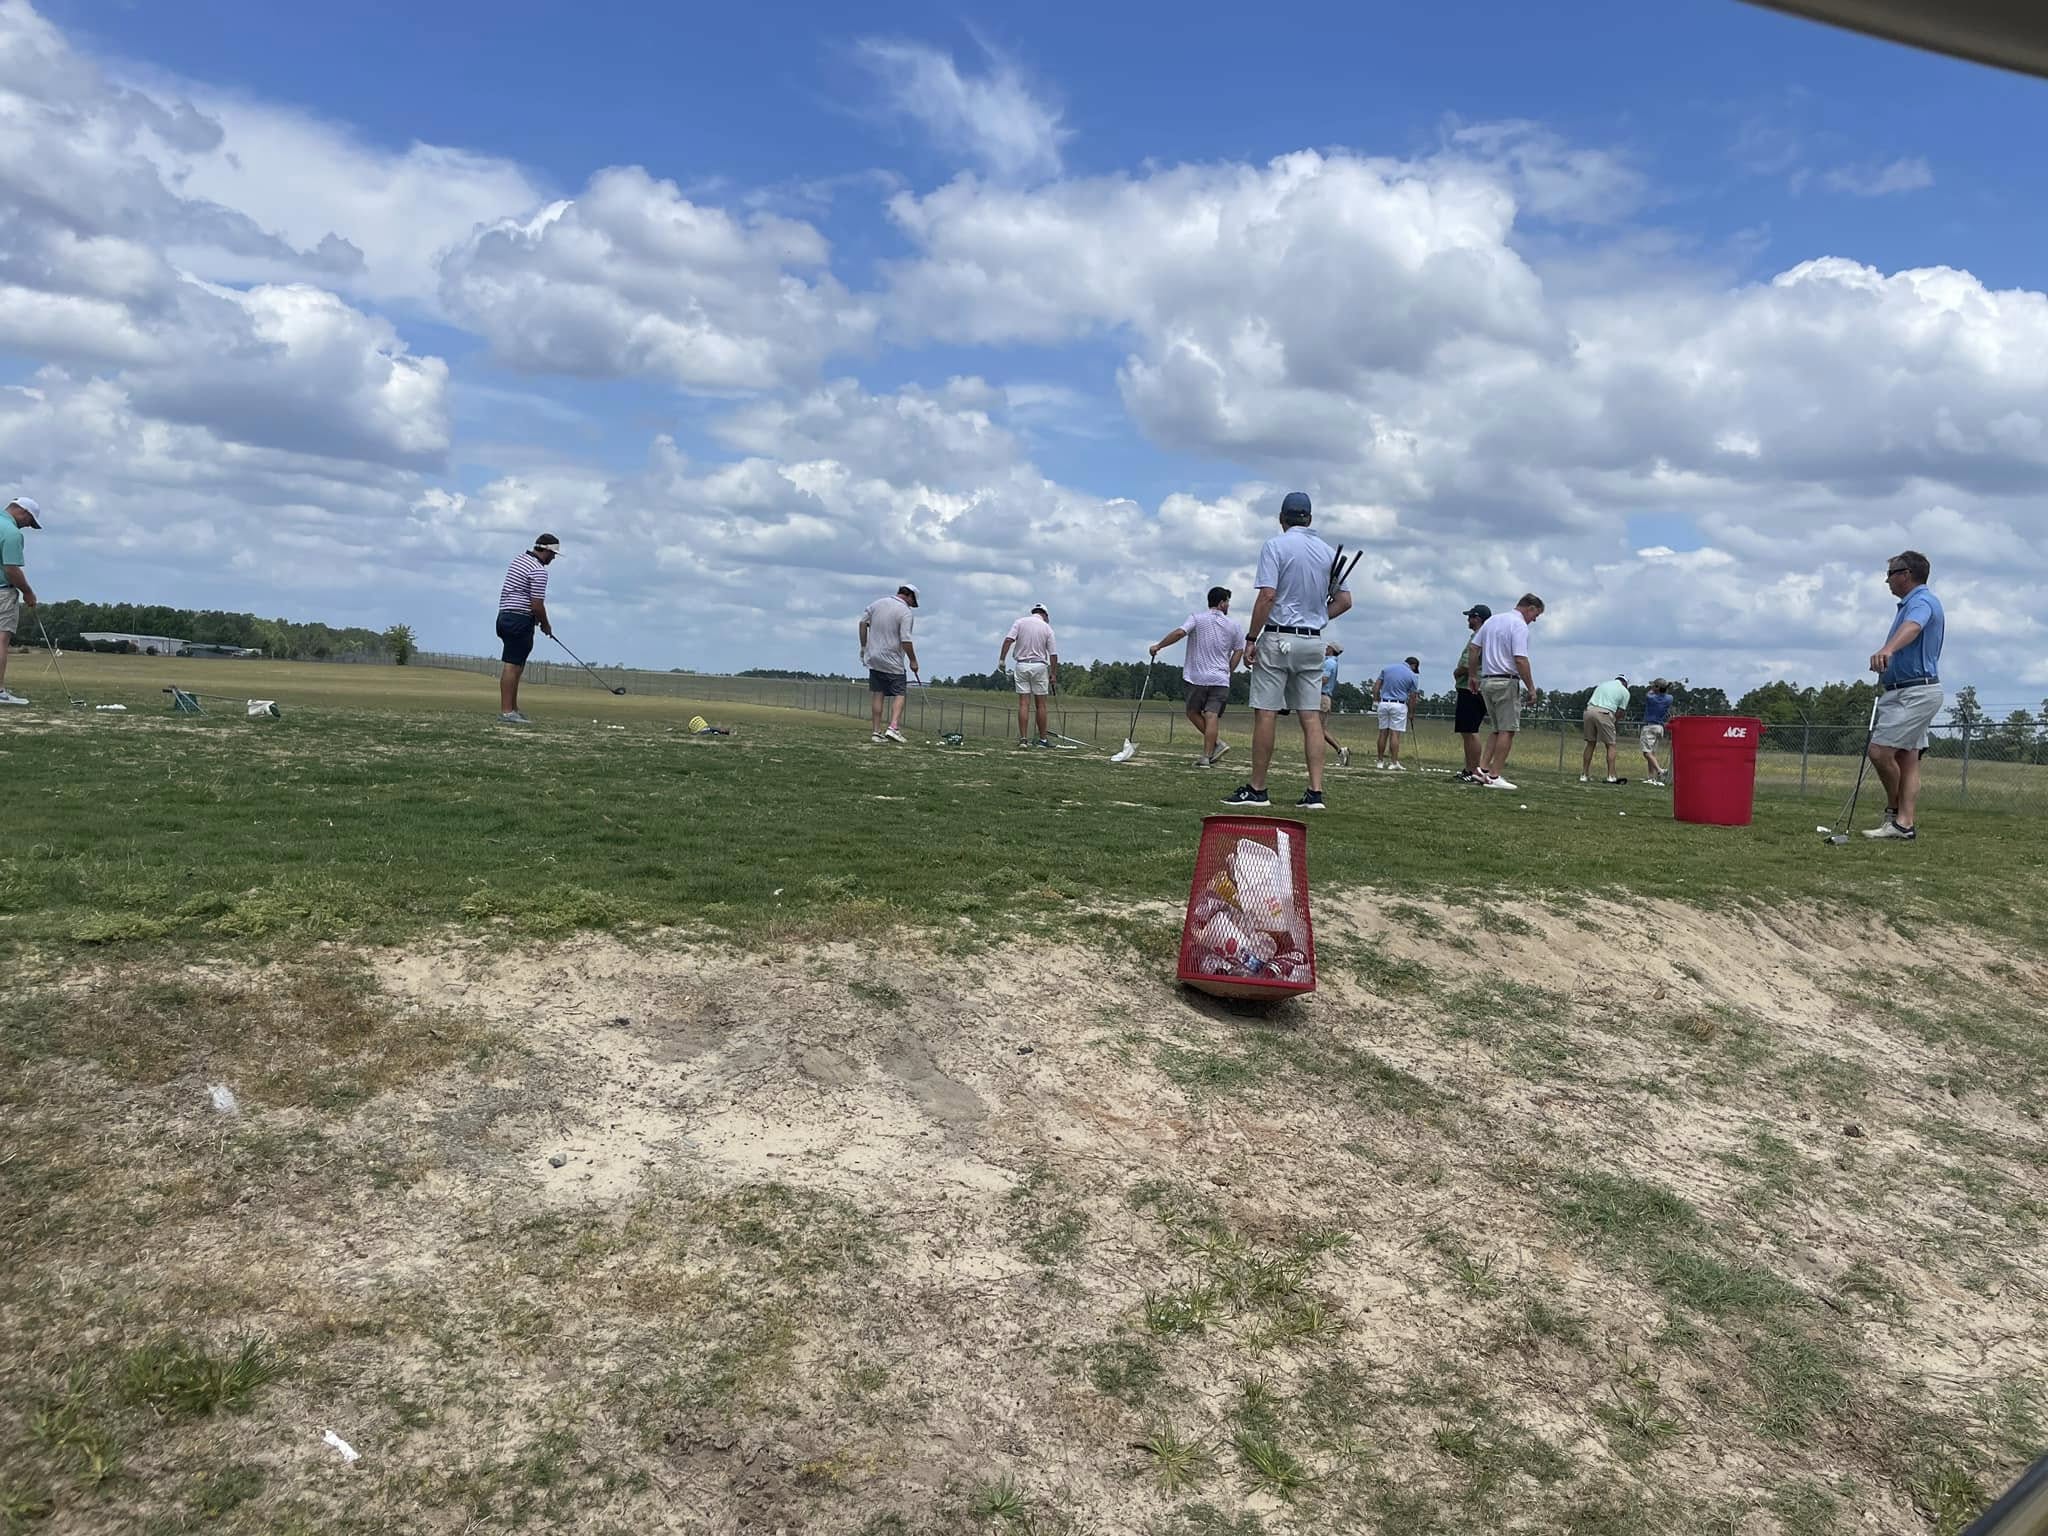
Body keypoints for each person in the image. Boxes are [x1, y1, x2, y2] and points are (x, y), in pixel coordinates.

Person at [1222, 491, 1353, 811]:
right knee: (1310, 718)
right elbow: (1345, 601)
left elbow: (1267, 596)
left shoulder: (1275, 546)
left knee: (1266, 713)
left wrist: (1251, 638)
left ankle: (1257, 788)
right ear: (1309, 518)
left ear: (1282, 518)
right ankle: (1315, 792)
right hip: (1313, 641)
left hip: (1279, 637)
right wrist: (1320, 616)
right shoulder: (1326, 553)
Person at [1863, 550, 1944, 841]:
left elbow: (1914, 627)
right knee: (1908, 759)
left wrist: (1887, 649)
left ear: (1905, 574)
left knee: (1880, 751)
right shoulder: (1910, 604)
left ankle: (1894, 811)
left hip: (1916, 692)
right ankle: (1903, 825)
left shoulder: (1921, 602)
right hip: (1906, 690)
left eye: (1890, 575)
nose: (1887, 581)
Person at [1151, 586, 1246, 767]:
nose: (1228, 605)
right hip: (1220, 679)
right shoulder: (1234, 625)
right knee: (1212, 715)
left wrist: (1159, 646)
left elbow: (1180, 633)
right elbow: (1238, 650)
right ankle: (1207, 755)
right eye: (1227, 602)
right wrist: (1229, 671)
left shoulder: (1196, 618)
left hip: (1197, 677)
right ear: (1221, 603)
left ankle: (1218, 744)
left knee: (1192, 712)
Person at [1463, 594, 1545, 790]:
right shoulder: (1518, 625)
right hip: (1506, 681)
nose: (1534, 619)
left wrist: (1473, 676)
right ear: (1530, 608)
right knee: (1508, 730)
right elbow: (1520, 659)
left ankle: (1482, 770)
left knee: (1497, 729)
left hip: (1487, 682)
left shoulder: (1492, 621)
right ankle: (1495, 775)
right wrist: (1531, 688)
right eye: (1536, 615)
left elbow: (1474, 648)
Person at [495, 532, 558, 723]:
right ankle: (507, 712)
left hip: (505, 616)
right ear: (546, 551)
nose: (554, 558)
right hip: (518, 620)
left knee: (517, 665)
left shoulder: (519, 560)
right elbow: (537, 604)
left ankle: (513, 709)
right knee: (513, 665)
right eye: (553, 554)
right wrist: (546, 625)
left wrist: (537, 621)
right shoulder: (539, 570)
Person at [860, 583, 921, 744]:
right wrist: (913, 660)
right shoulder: (905, 612)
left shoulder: (877, 604)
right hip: (893, 659)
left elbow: (862, 623)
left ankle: (876, 732)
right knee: (900, 693)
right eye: (912, 602)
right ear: (909, 596)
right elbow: (906, 639)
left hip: (873, 657)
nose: (911, 605)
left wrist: (864, 647)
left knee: (878, 693)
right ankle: (893, 727)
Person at [0, 496, 43, 707]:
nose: (27, 526)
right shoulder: (11, 533)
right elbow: (11, 569)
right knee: (1, 640)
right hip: (2, 593)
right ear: (23, 512)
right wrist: (27, 592)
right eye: (29, 521)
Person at [999, 604, 1059, 748]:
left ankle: (1023, 739)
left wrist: (1002, 659)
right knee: (1041, 705)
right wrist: (1053, 674)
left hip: (1022, 665)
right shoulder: (1047, 628)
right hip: (1039, 666)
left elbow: (1008, 640)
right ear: (1045, 615)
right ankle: (1043, 740)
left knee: (1023, 703)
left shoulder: (1020, 622)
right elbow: (1053, 654)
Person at [1452, 604, 1490, 781]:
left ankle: (1474, 770)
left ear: (1478, 618)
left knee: (1470, 729)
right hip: (1473, 688)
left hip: (1471, 689)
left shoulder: (1479, 638)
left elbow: (1468, 663)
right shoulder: (1486, 637)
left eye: (1470, 617)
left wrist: (1457, 672)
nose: (1468, 620)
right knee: (1466, 730)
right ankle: (1469, 769)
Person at [1373, 654, 1422, 771]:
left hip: (1384, 703)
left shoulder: (1387, 669)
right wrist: (1411, 713)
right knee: (1395, 734)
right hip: (1399, 705)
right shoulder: (1413, 676)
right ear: (1413, 665)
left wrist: (1375, 700)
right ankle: (1393, 762)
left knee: (1383, 733)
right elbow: (1413, 697)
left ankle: (1380, 761)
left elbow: (1376, 687)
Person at [1580, 674, 1631, 784]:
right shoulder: (1625, 692)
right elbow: (1621, 712)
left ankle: (1584, 775)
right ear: (1625, 684)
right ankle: (1611, 776)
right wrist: (1614, 721)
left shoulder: (1602, 685)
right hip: (1605, 713)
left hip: (1589, 711)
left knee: (1590, 743)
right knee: (1610, 745)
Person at [1318, 644, 1351, 768]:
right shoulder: (1332, 662)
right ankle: (1339, 751)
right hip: (1325, 697)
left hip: (1322, 696)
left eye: (1327, 648)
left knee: (1318, 729)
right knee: (1320, 729)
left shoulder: (1329, 663)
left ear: (1332, 650)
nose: (1325, 649)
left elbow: (1324, 679)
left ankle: (1340, 750)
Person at [1640, 680, 1675, 785]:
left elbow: (1649, 693)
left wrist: (1654, 688)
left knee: (1646, 752)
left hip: (1649, 727)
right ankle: (1651, 777)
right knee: (1652, 753)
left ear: (1657, 688)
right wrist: (1662, 687)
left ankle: (1660, 771)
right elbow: (1665, 694)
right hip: (1659, 727)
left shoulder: (1651, 698)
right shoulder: (1669, 698)